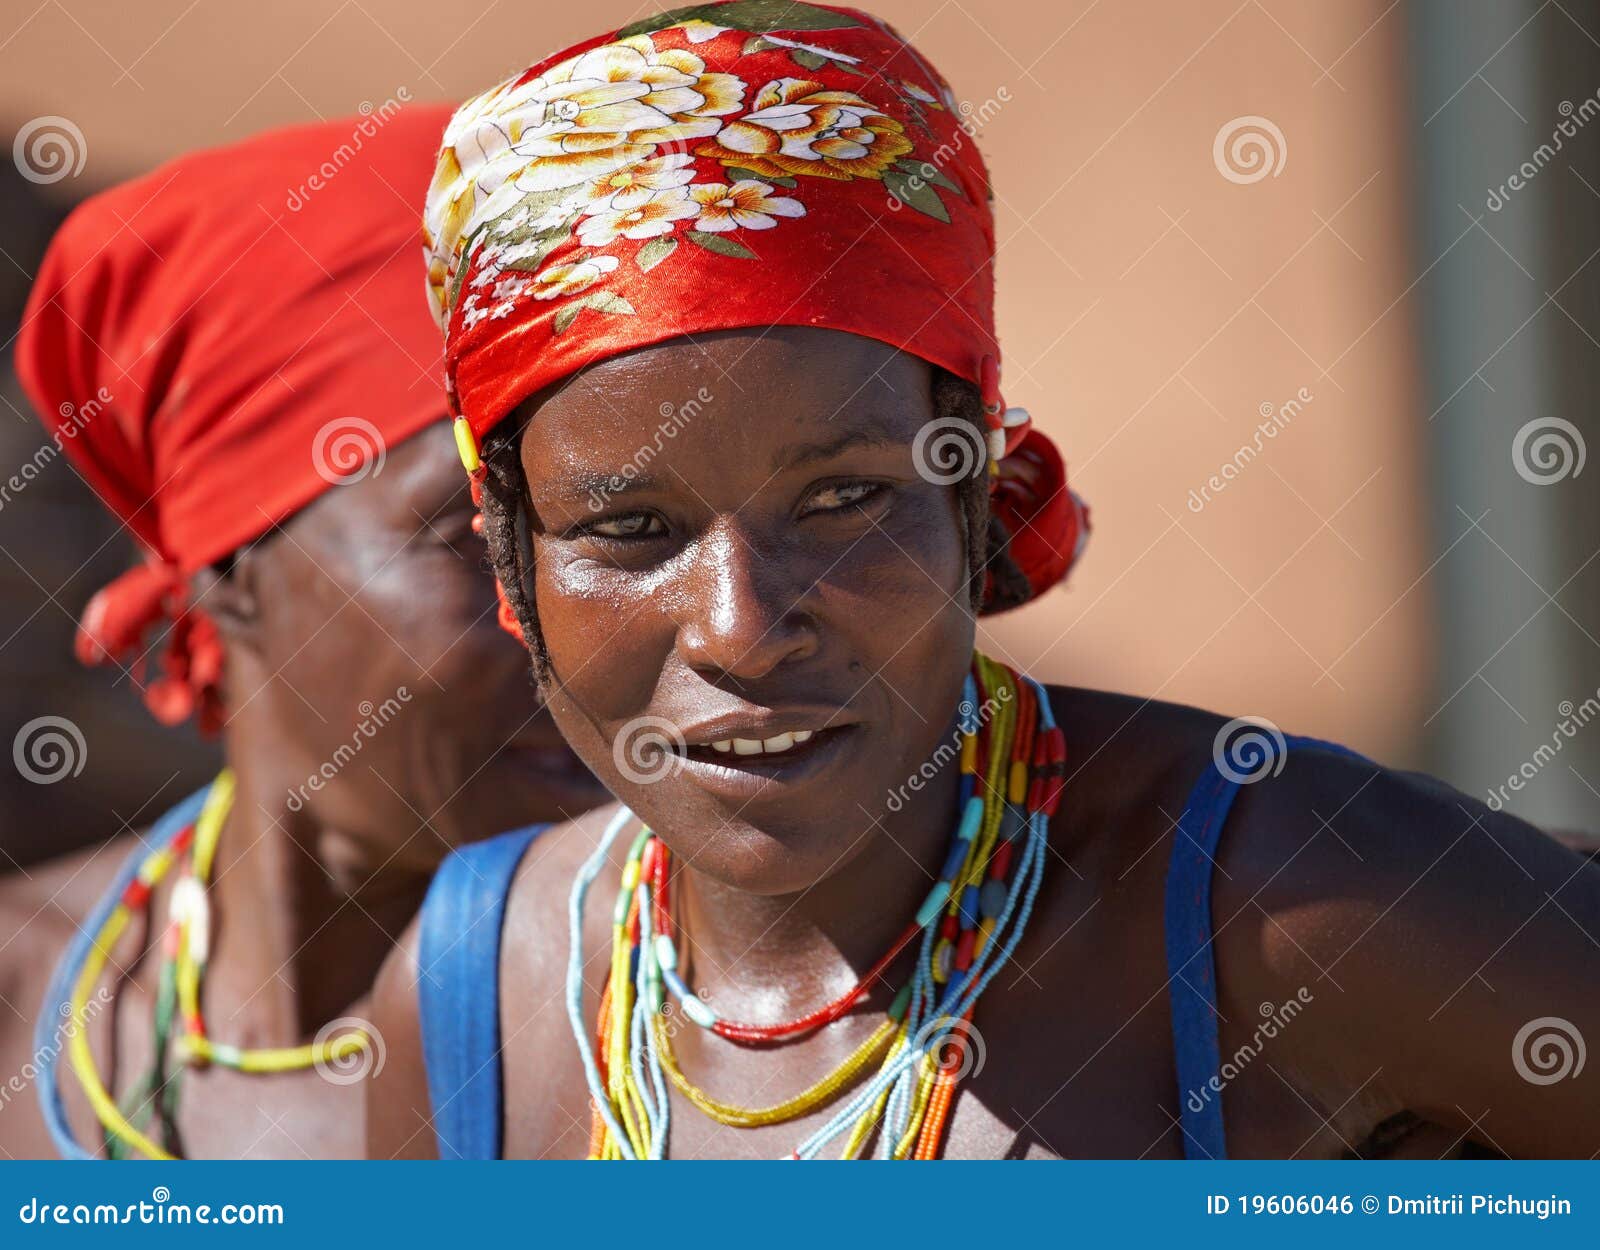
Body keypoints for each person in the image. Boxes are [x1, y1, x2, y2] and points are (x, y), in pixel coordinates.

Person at [367, 1, 1600, 1160]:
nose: (741, 629)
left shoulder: (1284, 904)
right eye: (632, 528)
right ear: (512, 556)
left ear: (971, 486)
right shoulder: (477, 998)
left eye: (842, 499)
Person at [0, 109, 606, 1160]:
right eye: (477, 538)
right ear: (230, 568)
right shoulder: (26, 1000)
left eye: (625, 533)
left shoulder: (695, 1051)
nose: (598, 628)